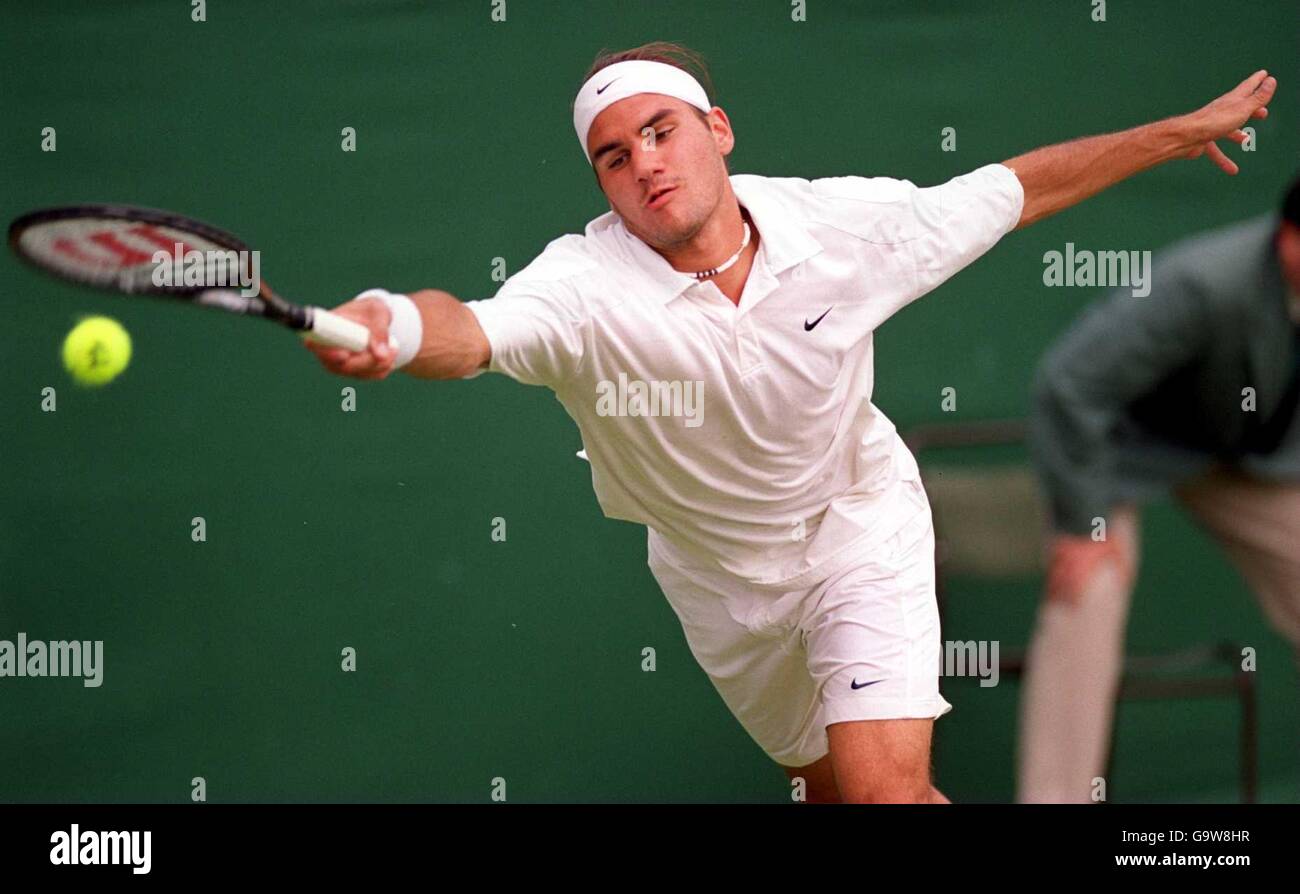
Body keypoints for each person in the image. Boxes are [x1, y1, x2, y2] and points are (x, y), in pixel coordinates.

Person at [303, 41, 1275, 803]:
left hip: (860, 530)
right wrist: (393, 324)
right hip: (720, 586)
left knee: (885, 793)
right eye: (615, 156)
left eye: (661, 131)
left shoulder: (837, 229)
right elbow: (469, 330)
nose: (645, 164)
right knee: (833, 796)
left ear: (717, 130)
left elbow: (1010, 194)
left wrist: (1174, 134)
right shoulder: (581, 289)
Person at [1019, 176, 1300, 803]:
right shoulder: (1202, 284)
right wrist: (1080, 528)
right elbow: (1070, 383)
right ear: (1288, 239)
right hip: (1122, 455)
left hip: (1246, 460)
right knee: (1087, 591)